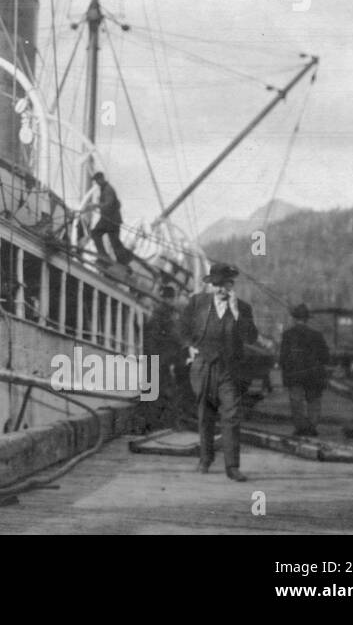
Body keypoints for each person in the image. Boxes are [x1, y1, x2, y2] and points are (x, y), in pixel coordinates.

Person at [178, 262, 258, 481]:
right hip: (203, 365)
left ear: (232, 285)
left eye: (225, 285)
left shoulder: (242, 308)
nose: (221, 290)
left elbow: (251, 337)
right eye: (217, 285)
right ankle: (205, 458)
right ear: (211, 285)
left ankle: (232, 466)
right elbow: (181, 328)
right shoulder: (197, 303)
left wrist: (235, 312)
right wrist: (190, 346)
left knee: (231, 415)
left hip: (229, 370)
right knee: (205, 414)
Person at [279, 303, 330, 437]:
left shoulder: (287, 335)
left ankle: (300, 429)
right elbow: (325, 357)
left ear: (295, 319)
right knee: (314, 402)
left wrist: (286, 375)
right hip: (314, 375)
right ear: (307, 319)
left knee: (296, 402)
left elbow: (283, 358)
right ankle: (312, 428)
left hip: (295, 375)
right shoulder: (317, 335)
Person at [143, 282, 183, 429]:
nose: (171, 301)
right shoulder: (165, 315)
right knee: (163, 392)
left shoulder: (162, 313)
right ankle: (160, 425)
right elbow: (173, 338)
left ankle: (155, 424)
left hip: (158, 359)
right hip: (160, 360)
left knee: (156, 393)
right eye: (170, 298)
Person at [85, 172, 134, 266]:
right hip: (110, 219)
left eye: (97, 180)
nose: (97, 183)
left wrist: (95, 205)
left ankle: (105, 257)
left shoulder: (108, 189)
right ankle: (123, 260)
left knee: (97, 234)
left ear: (102, 178)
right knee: (114, 241)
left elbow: (109, 204)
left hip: (110, 220)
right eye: (96, 181)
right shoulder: (104, 189)